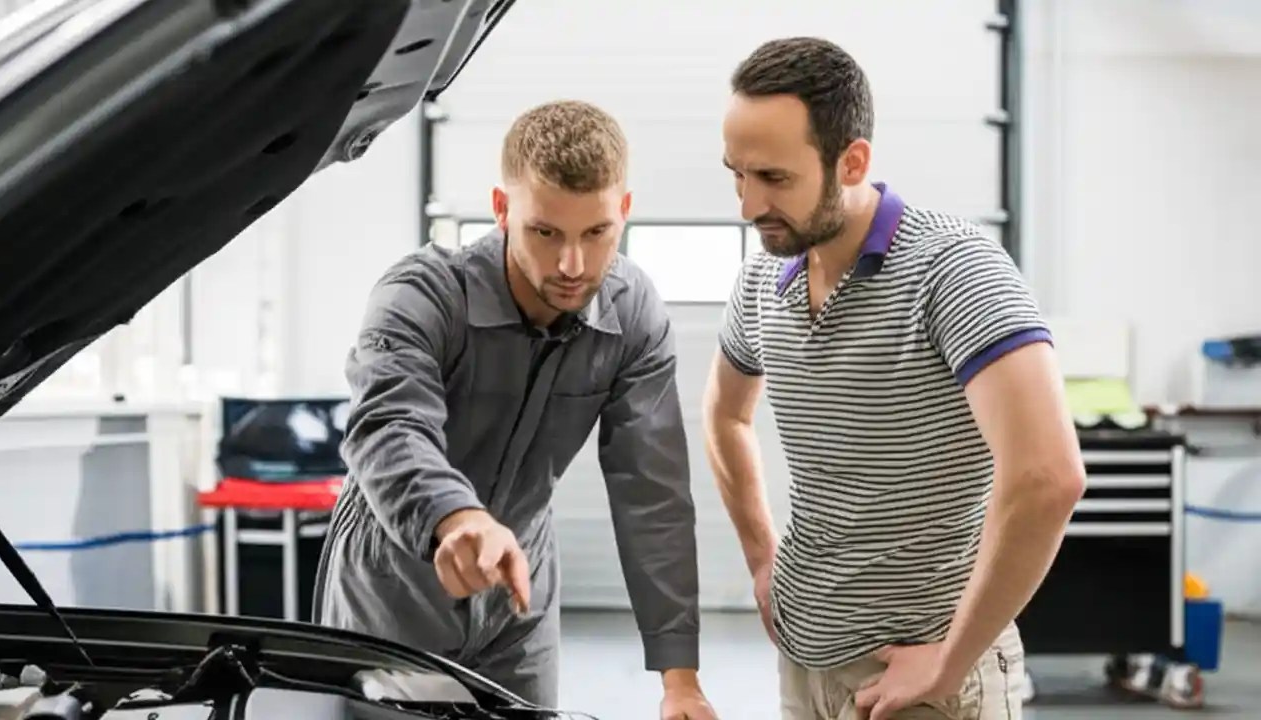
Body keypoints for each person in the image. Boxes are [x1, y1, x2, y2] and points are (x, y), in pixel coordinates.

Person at [703, 37, 1086, 720]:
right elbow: (725, 417)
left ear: (852, 162)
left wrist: (952, 659)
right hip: (805, 666)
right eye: (738, 175)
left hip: (924, 677)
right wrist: (764, 561)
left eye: (775, 179)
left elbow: (1048, 476)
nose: (747, 205)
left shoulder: (954, 270)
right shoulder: (763, 277)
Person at [313, 99, 717, 719]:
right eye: (546, 232)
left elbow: (653, 492)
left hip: (520, 592)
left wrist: (679, 676)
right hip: (395, 581)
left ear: (624, 213)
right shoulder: (421, 295)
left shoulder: (633, 315)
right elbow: (389, 425)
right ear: (502, 210)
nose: (572, 265)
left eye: (597, 233)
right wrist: (455, 517)